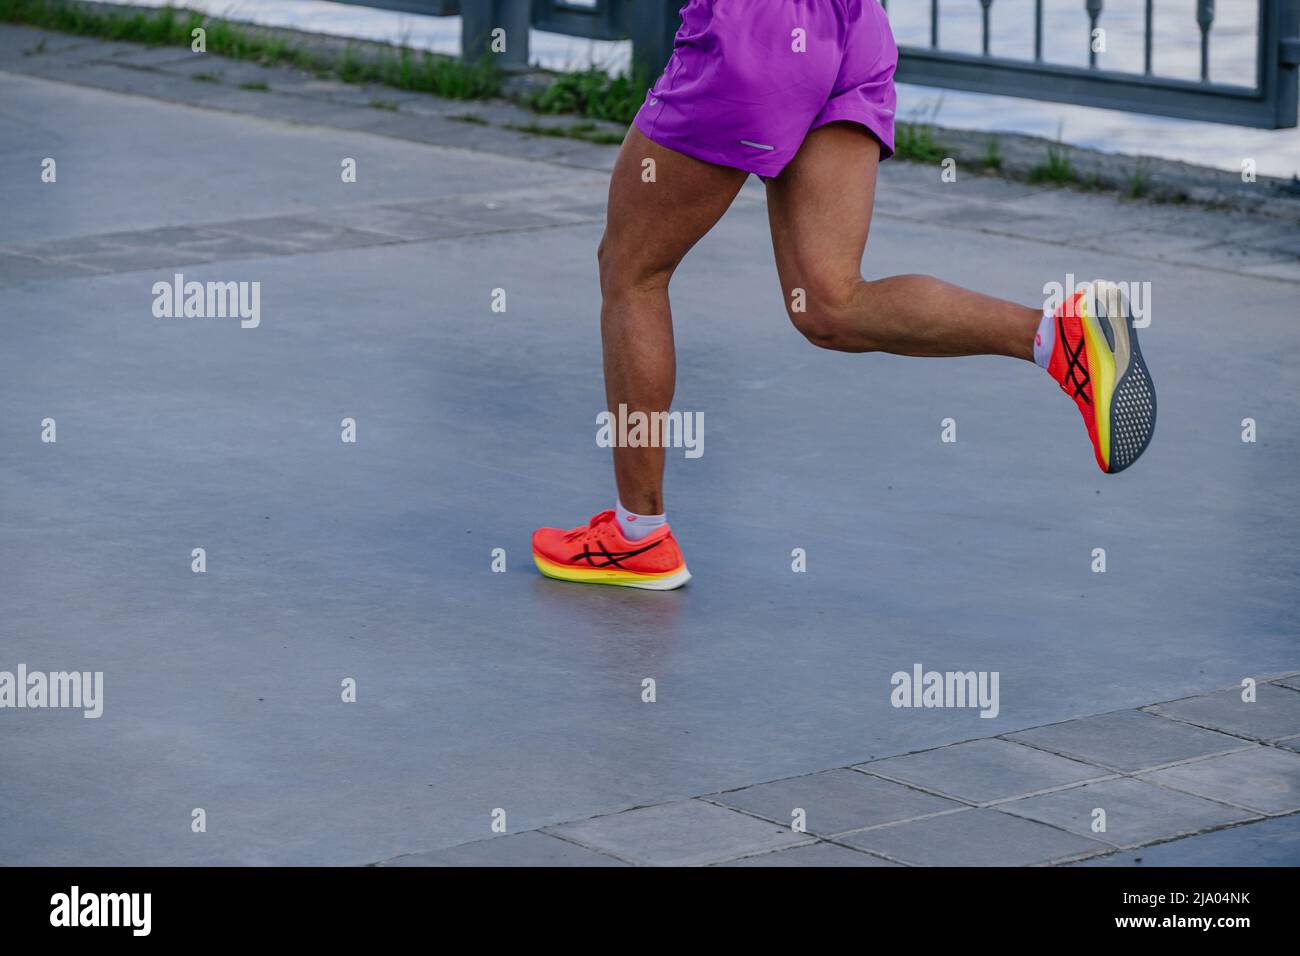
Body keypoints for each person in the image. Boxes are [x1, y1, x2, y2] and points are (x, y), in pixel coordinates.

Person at [531, 0, 1156, 590]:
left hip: (758, 29)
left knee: (632, 271)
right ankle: (1059, 336)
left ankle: (638, 535)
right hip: (852, 31)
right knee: (830, 304)